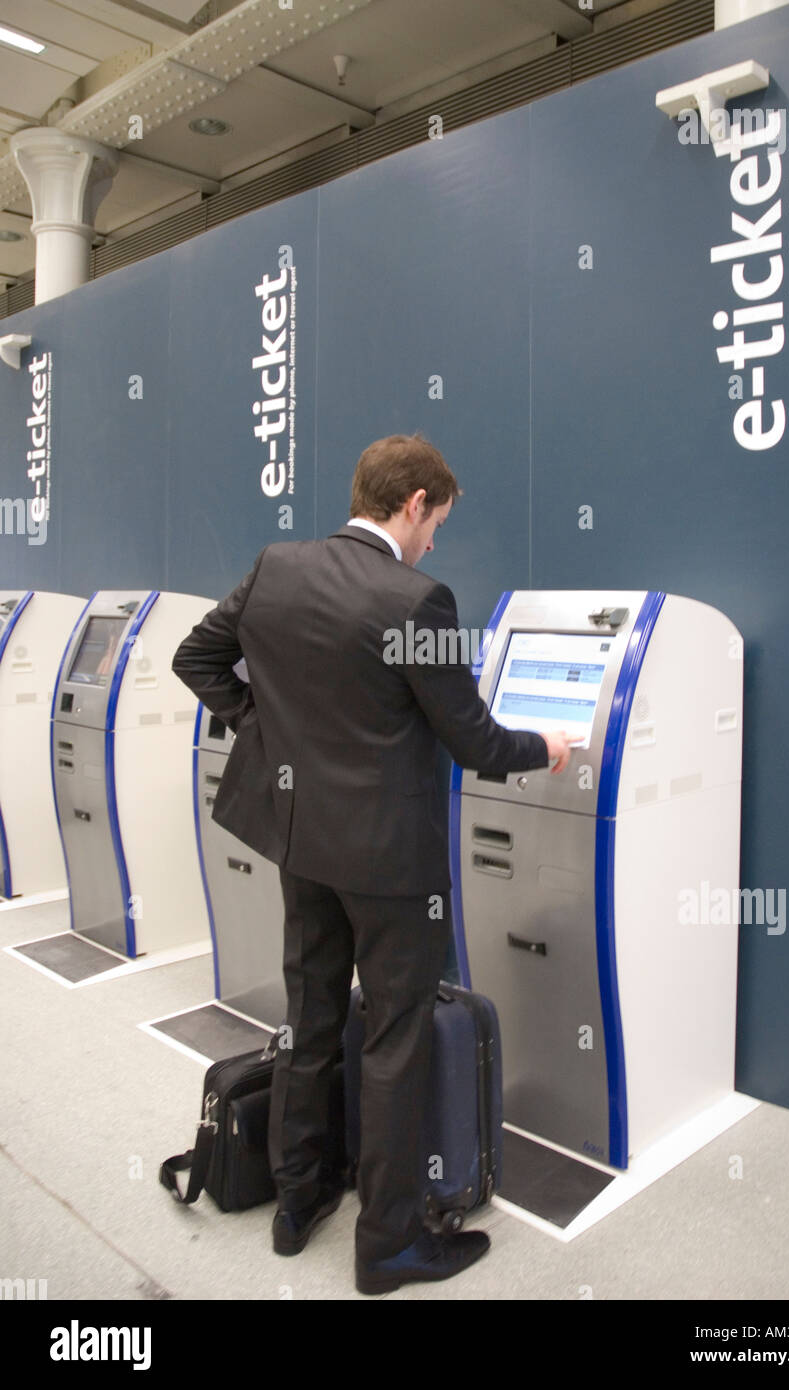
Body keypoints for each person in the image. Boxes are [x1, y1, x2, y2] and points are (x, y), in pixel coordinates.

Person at [171, 433, 572, 1294]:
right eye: (438, 523)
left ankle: (295, 1200)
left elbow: (194, 658)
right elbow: (473, 741)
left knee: (311, 1016)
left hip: (298, 841)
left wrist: (261, 728)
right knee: (393, 1042)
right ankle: (388, 1245)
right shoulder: (417, 601)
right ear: (415, 503)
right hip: (390, 864)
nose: (437, 542)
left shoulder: (277, 566)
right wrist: (549, 743)